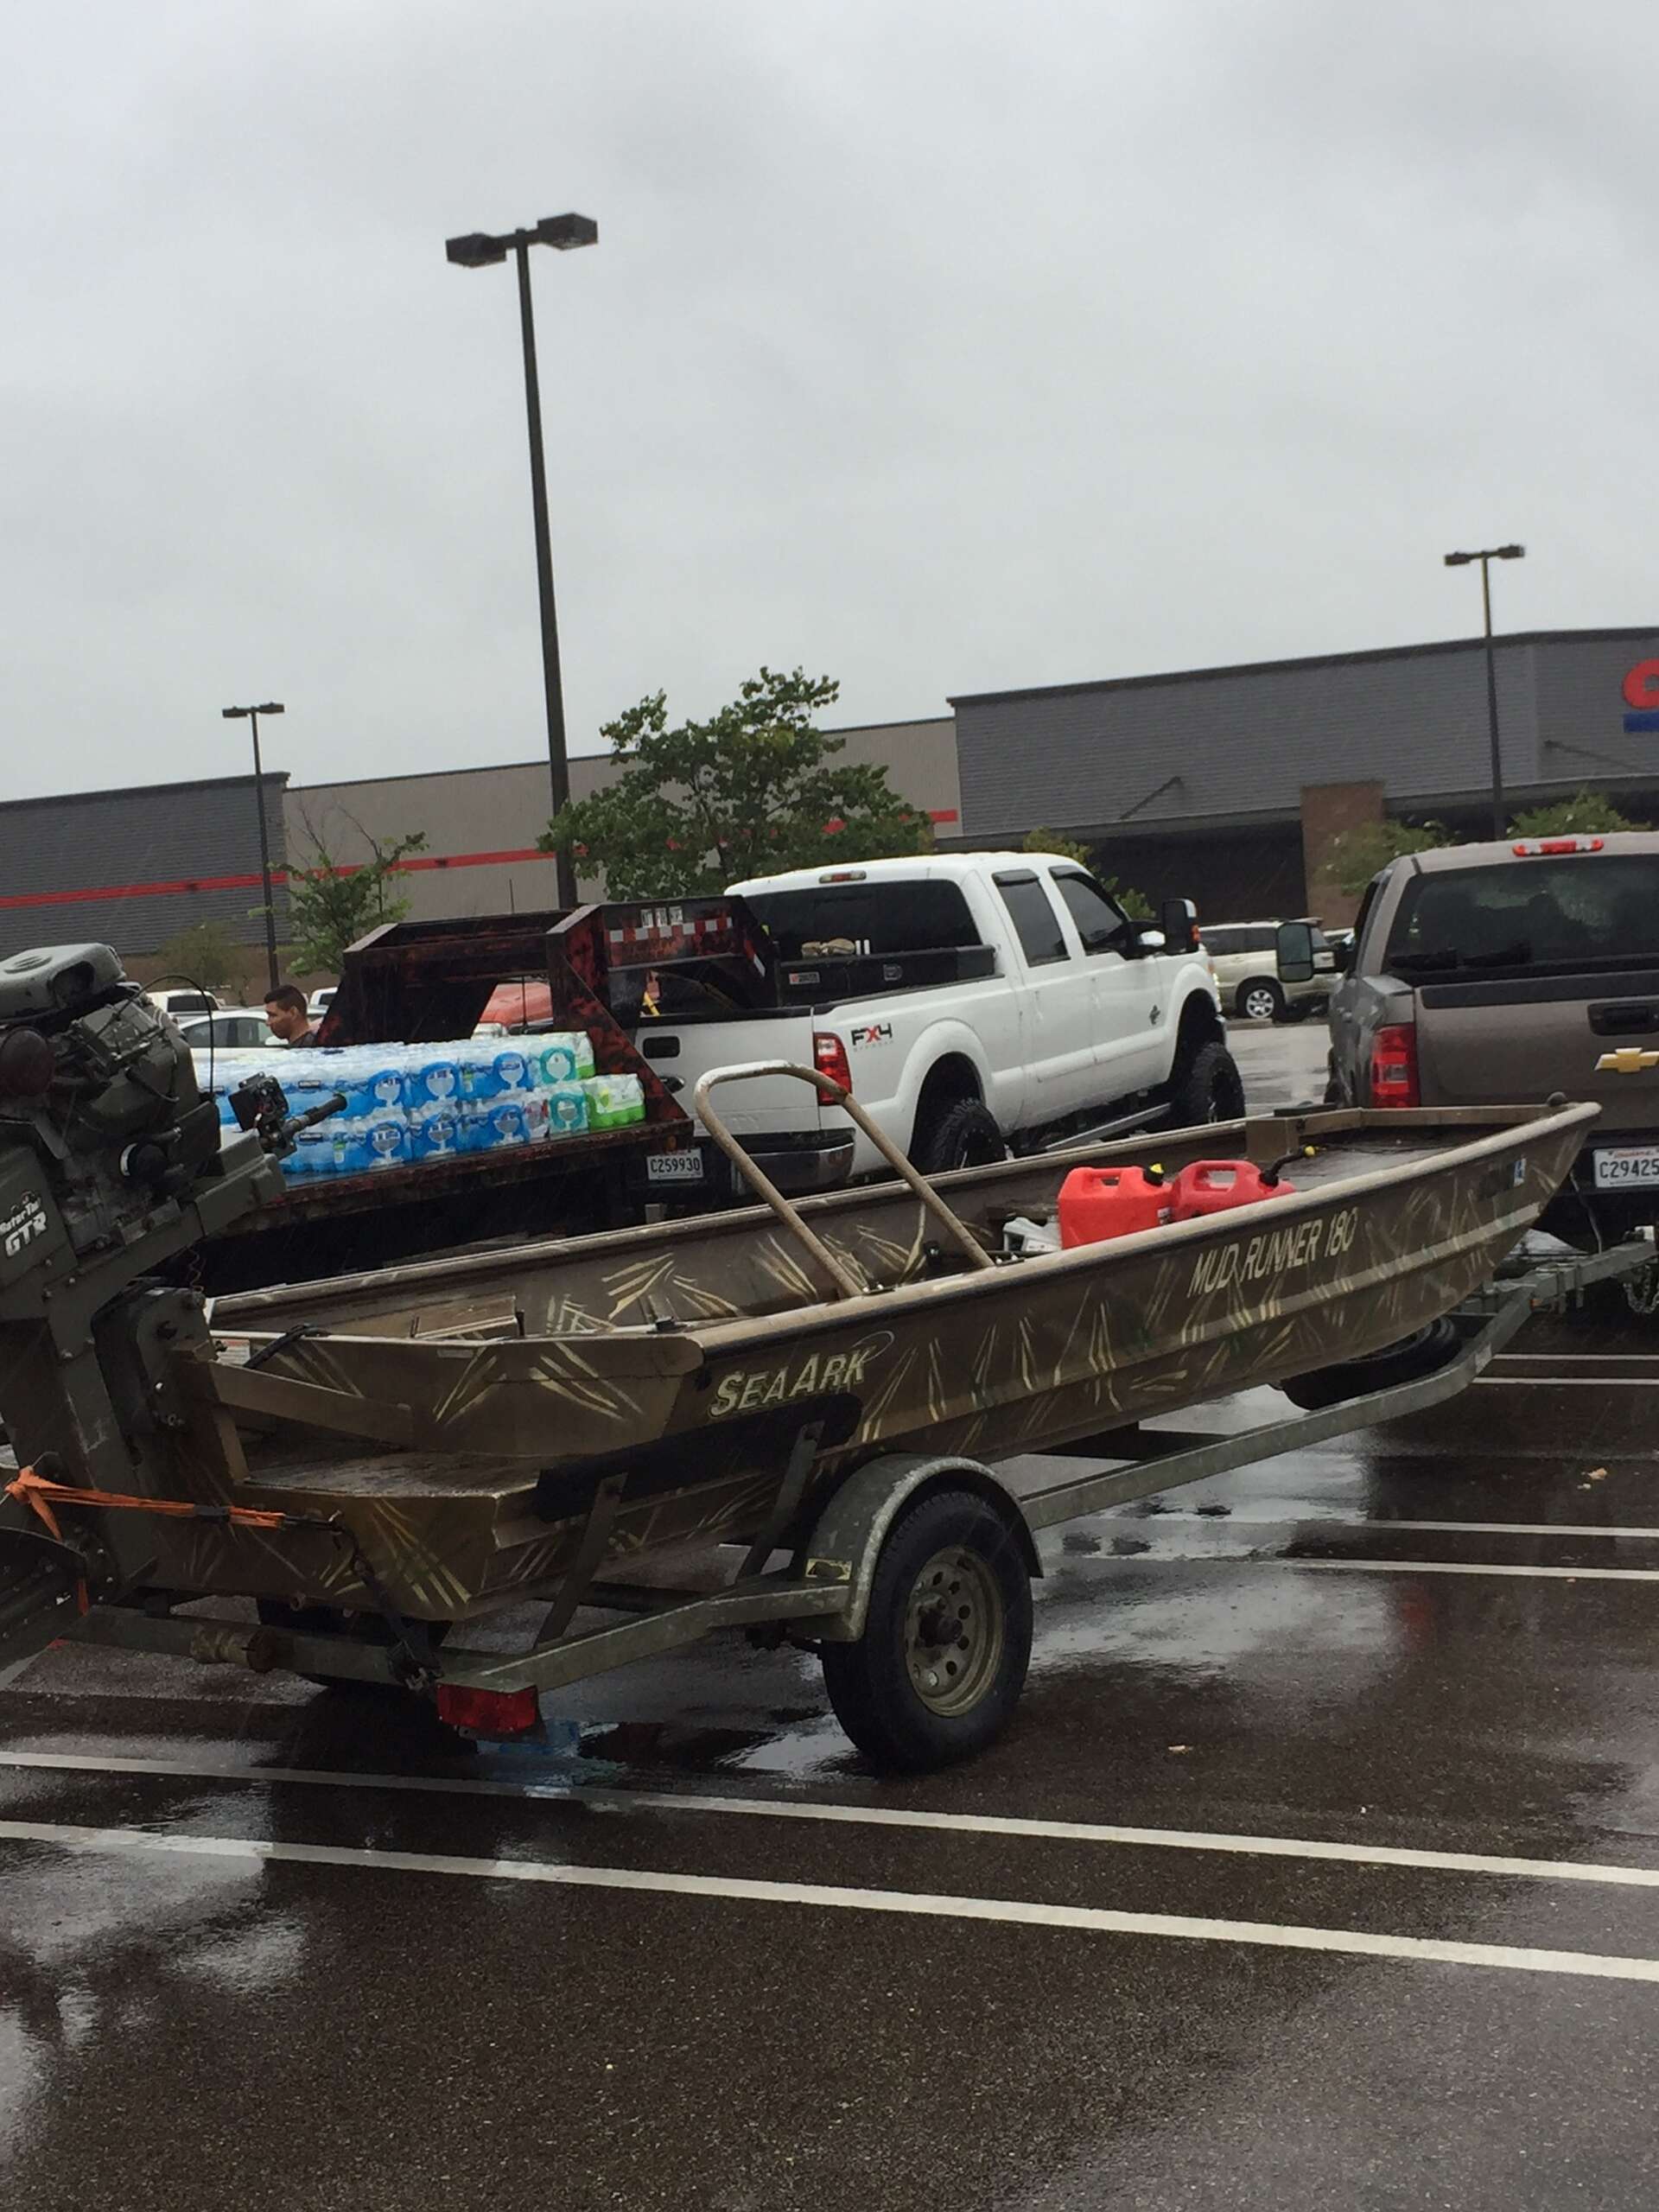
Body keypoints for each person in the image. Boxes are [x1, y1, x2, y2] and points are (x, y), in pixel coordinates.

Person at [264, 983, 318, 1047]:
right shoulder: (311, 1044)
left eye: (273, 1016)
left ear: (293, 1013)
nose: (267, 1023)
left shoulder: (309, 1049)